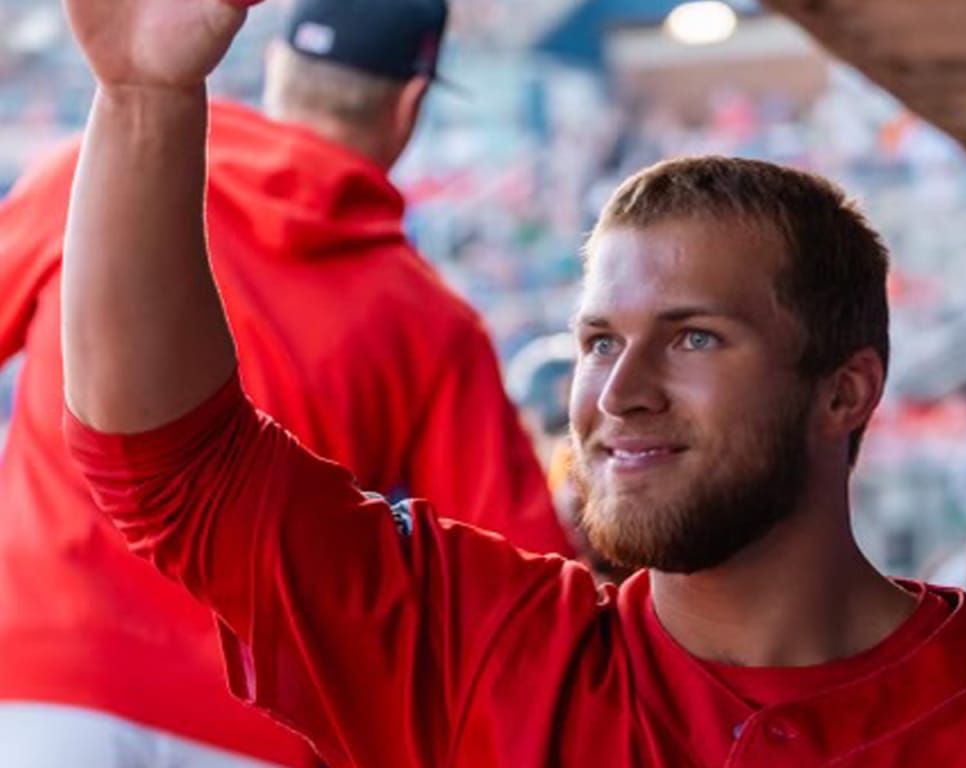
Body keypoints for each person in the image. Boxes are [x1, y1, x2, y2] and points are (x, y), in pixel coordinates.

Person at [53, 0, 966, 765]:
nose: (619, 390)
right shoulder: (490, 646)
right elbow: (172, 469)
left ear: (846, 391)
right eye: (597, 342)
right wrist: (144, 97)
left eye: (694, 339)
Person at [0, 0, 570, 763]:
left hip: (45, 684)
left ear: (275, 67)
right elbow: (524, 579)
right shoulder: (434, 322)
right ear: (409, 106)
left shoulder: (93, 183)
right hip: (265, 729)